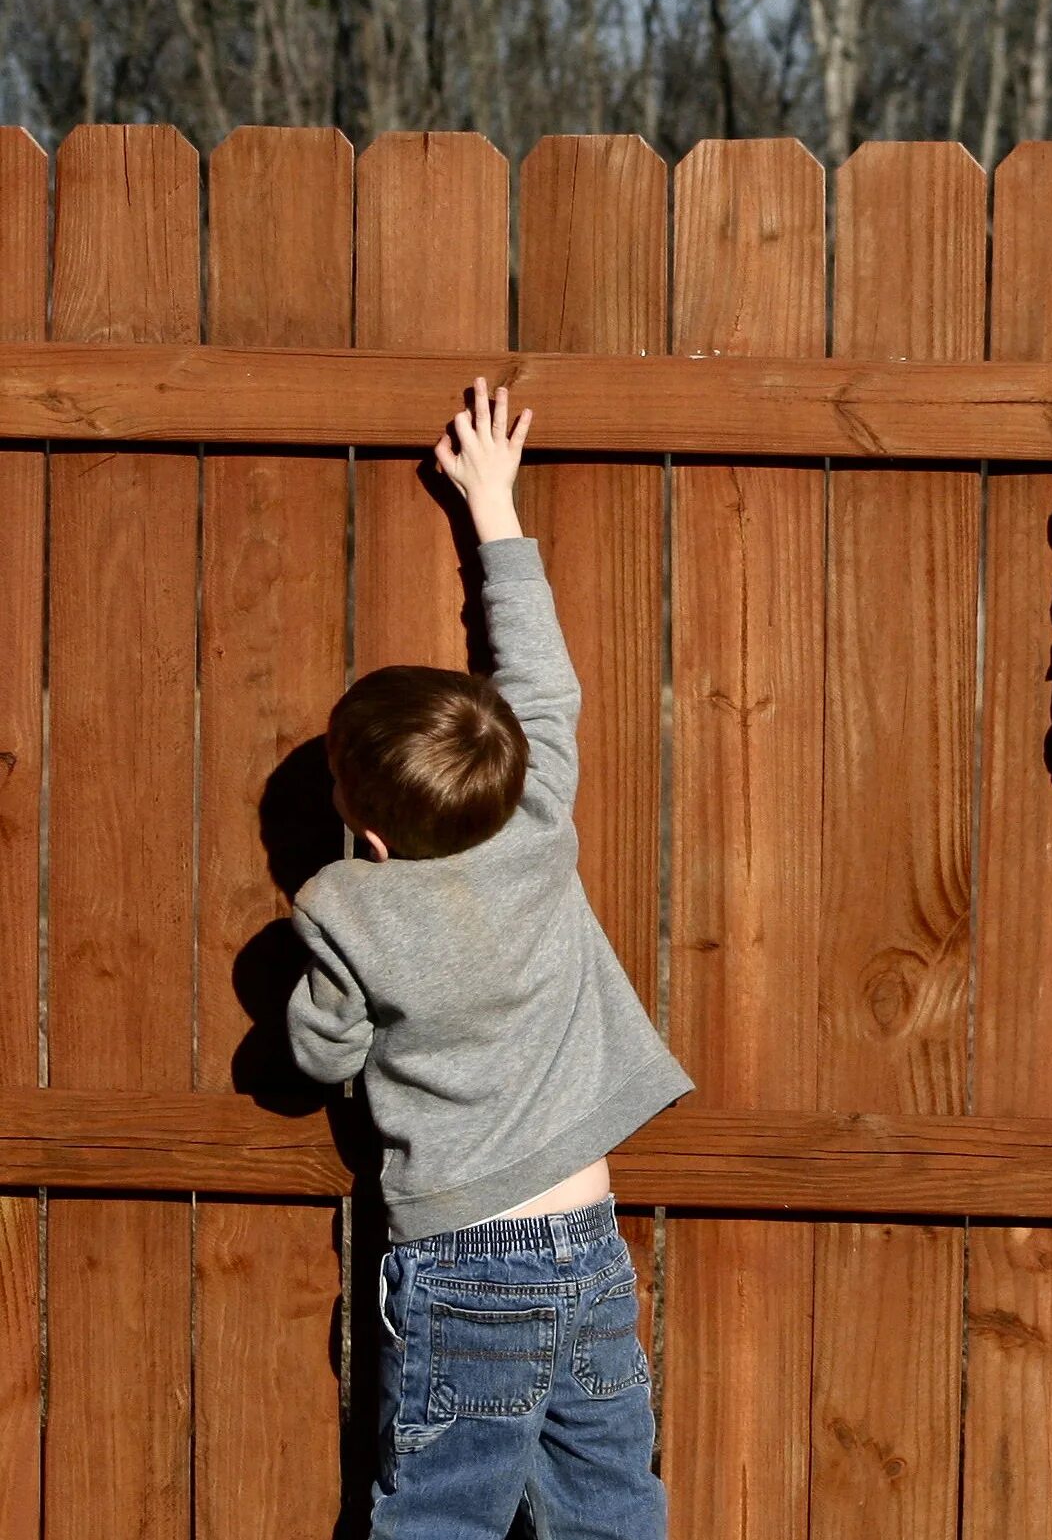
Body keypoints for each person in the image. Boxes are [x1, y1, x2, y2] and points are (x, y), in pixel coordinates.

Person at [287, 383, 692, 1534]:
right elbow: (543, 683)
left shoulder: (346, 907)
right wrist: (493, 509)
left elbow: (325, 1053)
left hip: (464, 1256)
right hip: (587, 1238)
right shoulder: (538, 824)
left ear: (367, 833)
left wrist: (332, 996)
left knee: (439, 1514)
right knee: (613, 1506)